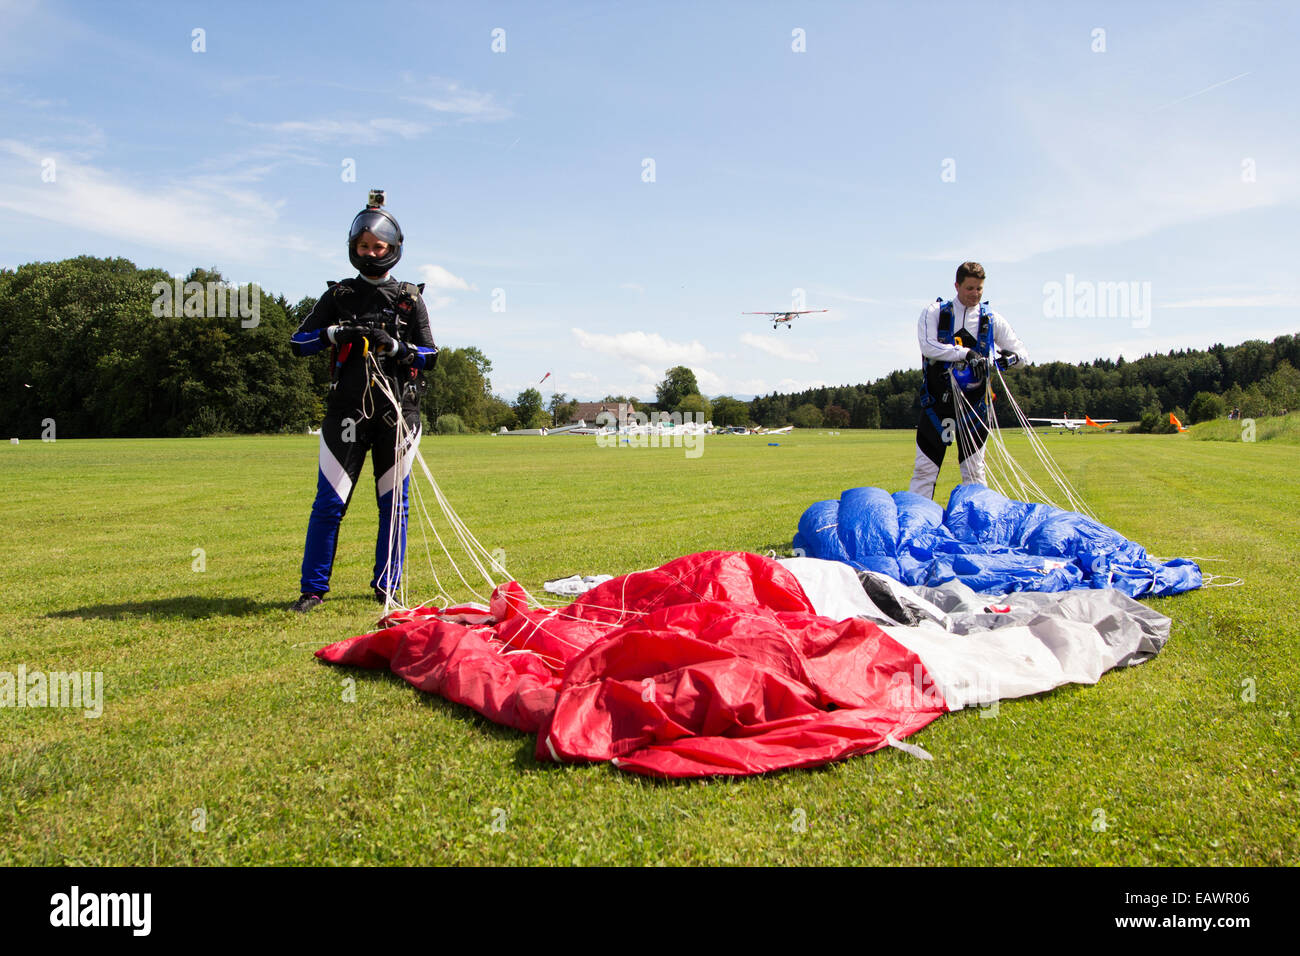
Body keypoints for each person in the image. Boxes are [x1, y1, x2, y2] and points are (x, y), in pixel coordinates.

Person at [288, 191, 438, 612]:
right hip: (346, 414)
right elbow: (298, 343)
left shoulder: (409, 298)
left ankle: (387, 585)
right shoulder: (339, 296)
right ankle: (313, 589)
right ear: (353, 248)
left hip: (398, 414)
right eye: (364, 246)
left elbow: (431, 356)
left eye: (378, 246)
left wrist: (396, 347)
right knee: (329, 502)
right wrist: (333, 335)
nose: (371, 252)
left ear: (393, 248)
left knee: (394, 504)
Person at [908, 261, 1028, 500]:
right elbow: (929, 346)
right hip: (937, 405)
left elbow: (1023, 354)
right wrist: (965, 353)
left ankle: (976, 527)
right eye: (969, 288)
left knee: (974, 472)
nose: (975, 294)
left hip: (975, 407)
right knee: (925, 470)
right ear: (957, 286)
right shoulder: (935, 312)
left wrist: (1010, 359)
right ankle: (916, 525)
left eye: (979, 289)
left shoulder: (991, 319)